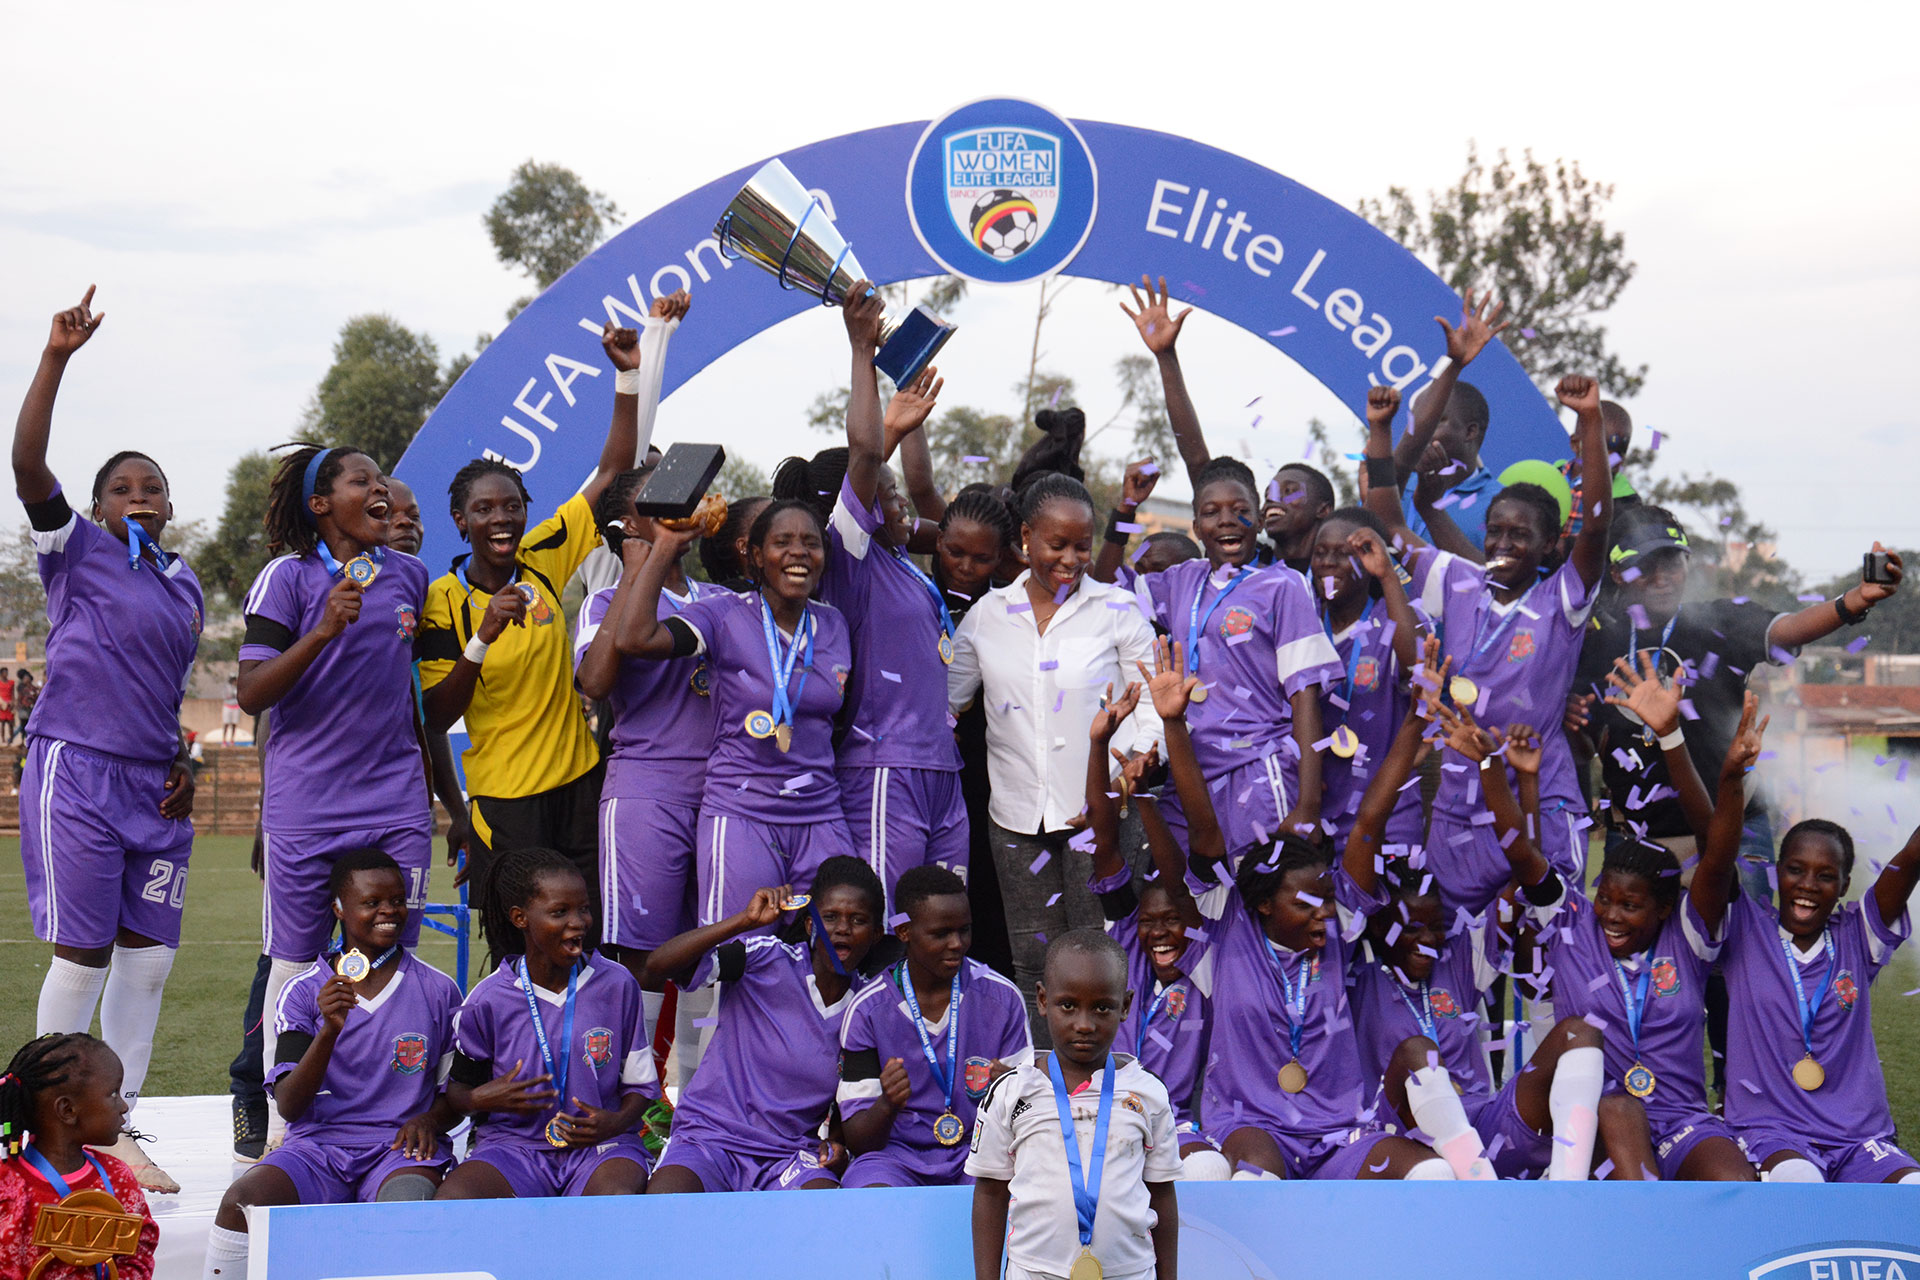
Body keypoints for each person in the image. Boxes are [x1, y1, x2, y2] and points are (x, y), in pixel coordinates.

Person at [12, 286, 200, 1191]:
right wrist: (56, 358)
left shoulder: (187, 582)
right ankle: (45, 1130)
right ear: (96, 506)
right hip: (75, 773)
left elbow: (160, 691)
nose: (139, 495)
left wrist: (184, 761)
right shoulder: (74, 550)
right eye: (121, 487)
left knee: (152, 958)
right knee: (82, 955)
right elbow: (28, 466)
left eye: (151, 485)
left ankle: (119, 1125)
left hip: (153, 785)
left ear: (169, 504)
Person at [416, 307, 674, 937]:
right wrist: (482, 639)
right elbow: (435, 714)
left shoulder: (541, 558)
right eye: (485, 509)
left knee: (587, 934)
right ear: (461, 522)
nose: (501, 518)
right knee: (515, 945)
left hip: (580, 784)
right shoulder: (442, 600)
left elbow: (611, 473)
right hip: (507, 802)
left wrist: (628, 378)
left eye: (511, 505)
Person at [1483, 680, 1763, 1181]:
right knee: (1619, 1119)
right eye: (1605, 898)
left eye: (1629, 905)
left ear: (1662, 909)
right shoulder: (1571, 921)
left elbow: (1716, 856)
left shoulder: (1689, 937)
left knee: (1736, 1183)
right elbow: (1522, 855)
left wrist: (1694, 755)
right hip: (1596, 1123)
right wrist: (1493, 769)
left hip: (1681, 1121)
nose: (1610, 914)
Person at [1345, 670, 1619, 1181]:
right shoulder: (1353, 976)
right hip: (1398, 1139)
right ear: (1379, 926)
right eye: (1409, 929)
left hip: (1481, 1123)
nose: (1426, 941)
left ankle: (1566, 1195)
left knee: (1578, 1032)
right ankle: (1480, 1192)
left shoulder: (1459, 958)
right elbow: (1364, 830)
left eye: (1433, 927)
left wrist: (1522, 777)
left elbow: (1525, 874)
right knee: (1416, 1053)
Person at [1364, 373, 1614, 918]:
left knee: (1550, 953)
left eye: (1520, 535)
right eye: (1495, 530)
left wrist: (1589, 421)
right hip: (1458, 807)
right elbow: (1384, 518)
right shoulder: (1455, 581)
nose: (1502, 542)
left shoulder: (1562, 600)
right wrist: (1380, 434)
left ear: (1549, 544)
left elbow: (1595, 530)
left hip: (1541, 800)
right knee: (1454, 958)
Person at [239, 442, 431, 1149]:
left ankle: (395, 1118)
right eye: (362, 481)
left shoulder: (411, 575)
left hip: (394, 803)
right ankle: (290, 1134)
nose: (380, 490)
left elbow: (419, 702)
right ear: (321, 504)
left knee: (393, 962)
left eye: (382, 481)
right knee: (292, 964)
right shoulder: (285, 581)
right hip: (308, 804)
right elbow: (252, 691)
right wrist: (322, 629)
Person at [1571, 504, 1904, 900]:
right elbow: (1585, 744)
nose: (1660, 578)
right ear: (1616, 573)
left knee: (1744, 957)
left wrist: (1853, 601)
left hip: (1734, 829)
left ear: (1687, 565)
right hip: (1636, 837)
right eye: (1644, 567)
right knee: (1636, 960)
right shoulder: (1591, 645)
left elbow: (1786, 629)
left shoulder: (1718, 622)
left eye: (1672, 564)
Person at [949, 474, 1162, 1034]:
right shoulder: (987, 617)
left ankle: (1110, 1089)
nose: (1072, 559)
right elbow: (950, 701)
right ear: (1025, 537)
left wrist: (1140, 758)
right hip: (1015, 820)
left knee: (1099, 958)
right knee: (1034, 964)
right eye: (1057, 544)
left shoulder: (1117, 610)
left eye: (1082, 545)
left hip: (1104, 817)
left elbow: (1154, 707)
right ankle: (1042, 1087)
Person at [202, 851, 462, 1280]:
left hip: (397, 1150)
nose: (388, 912)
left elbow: (454, 1097)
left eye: (397, 900)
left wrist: (430, 1121)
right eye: (372, 902)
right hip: (317, 1147)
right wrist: (328, 1031)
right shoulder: (304, 992)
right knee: (241, 1201)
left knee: (405, 1208)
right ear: (338, 908)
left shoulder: (439, 989)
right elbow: (289, 1106)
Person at [611, 501, 855, 923]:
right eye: (783, 542)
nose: (798, 552)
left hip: (821, 816)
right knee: (742, 954)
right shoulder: (723, 615)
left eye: (811, 543)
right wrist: (665, 546)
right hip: (743, 816)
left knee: (835, 954)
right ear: (757, 557)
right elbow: (635, 638)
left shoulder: (834, 624)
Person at [1099, 455, 1342, 862]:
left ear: (1259, 523)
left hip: (1258, 769)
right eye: (1211, 513)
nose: (1227, 520)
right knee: (1197, 905)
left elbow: (1305, 697)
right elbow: (1106, 584)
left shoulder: (1284, 585)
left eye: (1242, 511)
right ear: (1196, 528)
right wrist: (1126, 508)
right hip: (1189, 773)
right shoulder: (1181, 580)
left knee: (1259, 903)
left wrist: (1307, 808)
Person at [822, 288, 969, 907]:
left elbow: (917, 480)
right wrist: (862, 353)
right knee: (887, 920)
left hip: (942, 771)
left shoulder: (908, 568)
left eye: (898, 493)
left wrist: (908, 429)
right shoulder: (848, 559)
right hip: (884, 769)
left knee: (943, 922)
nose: (901, 502)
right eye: (886, 494)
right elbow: (863, 454)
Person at [574, 463, 719, 1041]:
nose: (675, 508)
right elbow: (596, 682)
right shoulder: (606, 600)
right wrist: (640, 571)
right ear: (627, 523)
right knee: (641, 952)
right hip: (646, 793)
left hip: (722, 794)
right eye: (657, 503)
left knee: (709, 952)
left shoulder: (722, 599)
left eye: (680, 494)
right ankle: (631, 1095)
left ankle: (687, 1101)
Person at [644, 857, 887, 1193]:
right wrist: (744, 921)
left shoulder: (869, 1007)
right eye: (829, 917)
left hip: (786, 1155)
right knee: (667, 1198)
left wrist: (836, 1146)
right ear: (809, 924)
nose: (842, 929)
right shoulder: (765, 959)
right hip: (710, 1139)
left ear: (877, 935)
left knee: (824, 1202)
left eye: (857, 920)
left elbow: (852, 1102)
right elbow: (658, 966)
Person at [1084, 639, 1231, 1180]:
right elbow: (1103, 843)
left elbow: (1183, 873)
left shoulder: (1208, 956)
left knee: (1208, 1175)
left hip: (1185, 1125)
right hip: (1108, 1118)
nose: (1160, 933)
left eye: (1172, 921)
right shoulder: (1126, 943)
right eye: (1150, 923)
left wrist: (1148, 796)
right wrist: (1098, 746)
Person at [439, 848, 657, 1198]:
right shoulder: (488, 999)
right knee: (456, 1199)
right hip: (513, 1147)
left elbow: (641, 1086)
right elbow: (458, 1095)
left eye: (583, 909)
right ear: (520, 918)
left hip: (600, 1147)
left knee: (614, 1201)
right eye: (560, 912)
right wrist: (481, 1098)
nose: (579, 922)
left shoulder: (617, 985)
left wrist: (614, 1123)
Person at [968, 930, 1181, 1280]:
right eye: (1068, 1005)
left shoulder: (1148, 1093)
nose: (1084, 1024)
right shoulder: (1012, 1092)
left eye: (1102, 1007)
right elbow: (990, 1194)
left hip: (1129, 1272)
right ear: (1042, 999)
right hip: (1034, 1272)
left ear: (1125, 1005)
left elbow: (1161, 1195)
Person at [1718, 815, 1919, 1183]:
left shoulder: (1860, 935)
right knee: (1801, 1183)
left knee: (1912, 1192)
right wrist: (1730, 781)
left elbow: (1911, 858)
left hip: (1858, 1137)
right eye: (1795, 870)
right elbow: (1714, 853)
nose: (1808, 885)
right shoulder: (1746, 929)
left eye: (1826, 876)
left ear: (1844, 885)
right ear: (1778, 872)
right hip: (1773, 1131)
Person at [1116, 274, 1333, 573]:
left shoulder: (1337, 569)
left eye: (1289, 491)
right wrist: (1166, 357)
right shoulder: (1245, 557)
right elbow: (1196, 459)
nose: (1274, 501)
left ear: (1324, 510)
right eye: (1269, 494)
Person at [837, 866, 1032, 1187]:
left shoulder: (1002, 997)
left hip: (980, 1151)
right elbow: (858, 1141)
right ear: (904, 932)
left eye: (964, 930)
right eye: (941, 933)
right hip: (894, 1156)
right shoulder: (868, 1009)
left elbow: (1030, 1115)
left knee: (1011, 1191)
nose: (957, 943)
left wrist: (1009, 1095)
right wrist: (887, 1103)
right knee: (868, 1197)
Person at [1308, 506, 1423, 849]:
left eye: (1344, 554)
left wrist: (1387, 575)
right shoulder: (1302, 619)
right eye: (1320, 552)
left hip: (1387, 817)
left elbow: (1417, 666)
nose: (1328, 562)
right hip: (1316, 813)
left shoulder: (1392, 621)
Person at [0, 1034, 158, 1280]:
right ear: (68, 1110)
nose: (124, 1107)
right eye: (113, 1093)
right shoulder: (8, 1184)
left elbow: (139, 1249)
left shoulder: (117, 1177)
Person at [1383, 290, 1510, 553]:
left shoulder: (1502, 504)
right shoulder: (1399, 487)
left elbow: (1494, 585)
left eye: (1436, 422)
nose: (1423, 431)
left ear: (1470, 431)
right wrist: (1451, 363)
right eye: (1418, 421)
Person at [221, 675, 242, 745]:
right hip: (227, 706)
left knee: (234, 723)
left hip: (236, 706)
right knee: (226, 723)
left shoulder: (237, 687)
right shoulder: (226, 687)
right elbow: (226, 696)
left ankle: (232, 739)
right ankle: (224, 739)